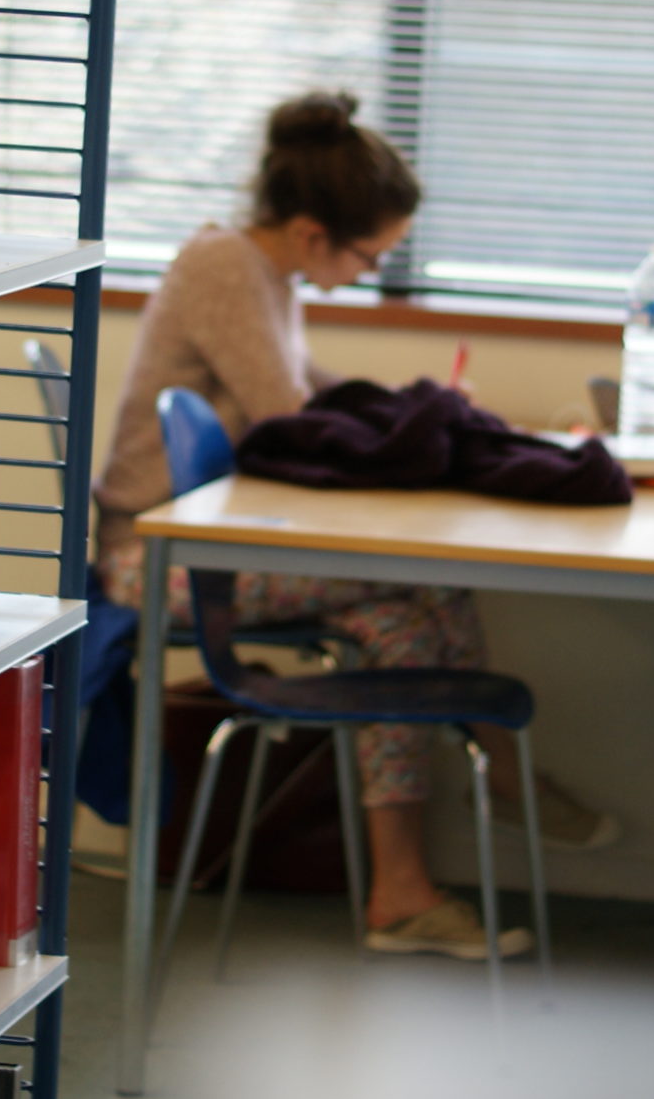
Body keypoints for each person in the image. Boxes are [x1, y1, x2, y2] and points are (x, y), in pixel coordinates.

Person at [94, 89, 616, 962]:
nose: (371, 270)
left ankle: (403, 891)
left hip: (214, 547)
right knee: (427, 580)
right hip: (155, 561)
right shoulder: (225, 266)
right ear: (310, 234)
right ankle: (503, 780)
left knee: (400, 623)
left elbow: (307, 385)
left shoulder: (263, 272)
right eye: (371, 255)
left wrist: (421, 406)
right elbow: (282, 412)